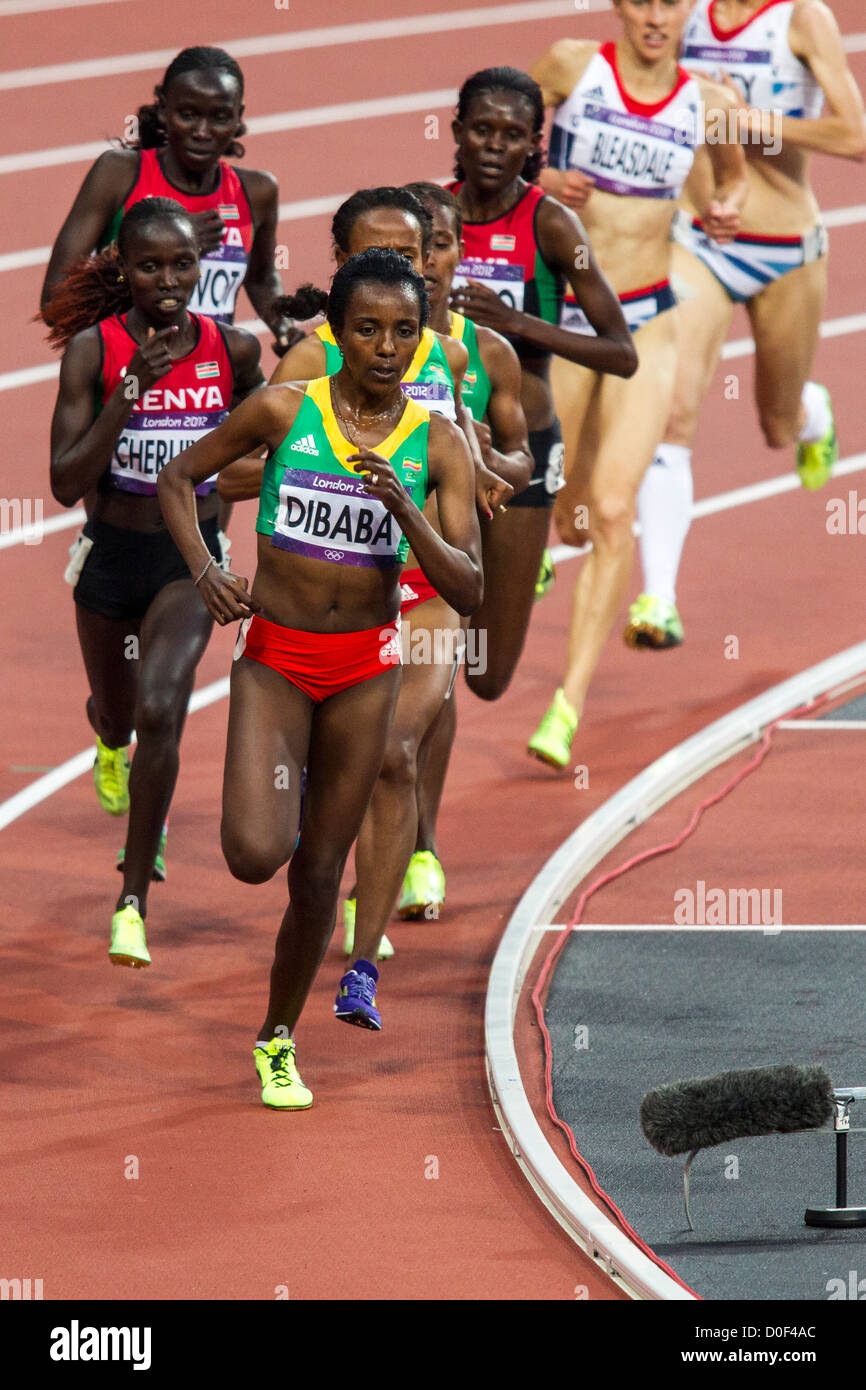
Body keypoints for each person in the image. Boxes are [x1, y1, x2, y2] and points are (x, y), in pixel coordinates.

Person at [157, 249, 483, 1108]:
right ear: (335, 332)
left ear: (422, 341)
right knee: (256, 853)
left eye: (404, 332)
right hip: (275, 659)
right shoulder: (282, 409)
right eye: (367, 328)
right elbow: (179, 475)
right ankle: (290, 794)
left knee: (318, 873)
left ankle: (276, 1038)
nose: (385, 345)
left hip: (364, 670)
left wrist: (406, 509)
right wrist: (204, 568)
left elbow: (470, 586)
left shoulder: (438, 443)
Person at [217, 186, 510, 946]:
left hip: (425, 579)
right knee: (365, 756)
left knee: (397, 745)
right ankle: (346, 860)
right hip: (338, 578)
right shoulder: (313, 357)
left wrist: (478, 469)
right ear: (345, 264)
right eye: (383, 254)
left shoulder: (440, 352)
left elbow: (470, 456)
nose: (407, 265)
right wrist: (331, 474)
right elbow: (238, 468)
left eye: (416, 254)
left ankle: (401, 869)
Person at [46, 198, 264, 967]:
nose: (168, 281)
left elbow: (259, 452)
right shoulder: (92, 351)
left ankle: (132, 898)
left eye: (181, 265)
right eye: (149, 266)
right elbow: (65, 483)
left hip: (188, 559)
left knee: (163, 707)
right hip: (109, 558)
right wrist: (128, 392)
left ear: (199, 268)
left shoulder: (232, 350)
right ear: (124, 268)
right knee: (120, 716)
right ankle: (109, 738)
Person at [528, 8, 746, 766]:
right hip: (564, 316)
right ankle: (543, 539)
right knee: (569, 511)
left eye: (671, 1)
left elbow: (734, 179)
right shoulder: (570, 66)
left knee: (615, 511)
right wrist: (542, 176)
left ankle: (567, 705)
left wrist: (725, 209)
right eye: (643, 0)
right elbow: (493, 147)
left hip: (644, 321)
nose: (656, 16)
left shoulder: (709, 104)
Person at [624, 0, 866, 649]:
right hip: (702, 240)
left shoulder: (801, 19)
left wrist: (755, 120)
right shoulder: (682, 15)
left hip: (787, 247)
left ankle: (812, 412)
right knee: (674, 412)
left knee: (776, 425)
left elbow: (856, 137)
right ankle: (659, 598)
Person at [395, 180, 532, 920]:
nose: (427, 263)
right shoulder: (359, 341)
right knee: (401, 709)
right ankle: (410, 851)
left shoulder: (486, 354)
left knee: (468, 685)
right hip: (377, 554)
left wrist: (482, 463)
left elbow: (523, 464)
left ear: (454, 251)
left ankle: (416, 846)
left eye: (439, 245)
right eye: (410, 250)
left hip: (461, 540)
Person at [41, 45, 291, 347]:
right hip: (126, 383)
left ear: (238, 118)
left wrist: (284, 328)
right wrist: (173, 245)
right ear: (163, 109)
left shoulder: (257, 192)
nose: (202, 131)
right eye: (188, 114)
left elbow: (262, 279)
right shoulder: (119, 174)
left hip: (207, 386)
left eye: (220, 117)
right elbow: (54, 302)